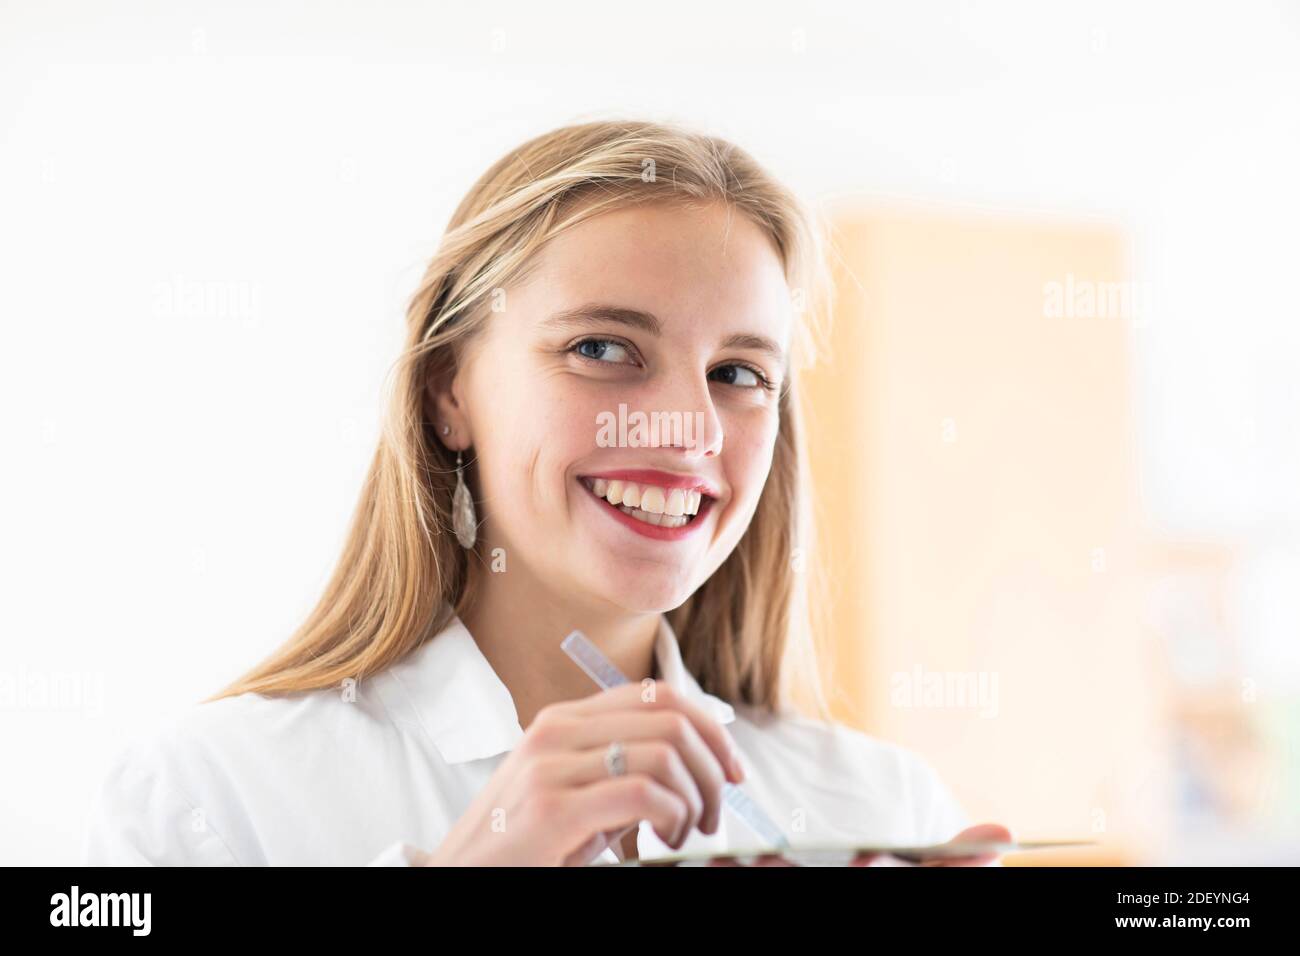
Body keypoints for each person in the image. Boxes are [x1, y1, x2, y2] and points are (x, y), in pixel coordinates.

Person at [84, 120, 1010, 866]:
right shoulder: (208, 798)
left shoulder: (887, 811)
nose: (686, 430)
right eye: (603, 349)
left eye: (736, 372)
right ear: (451, 391)